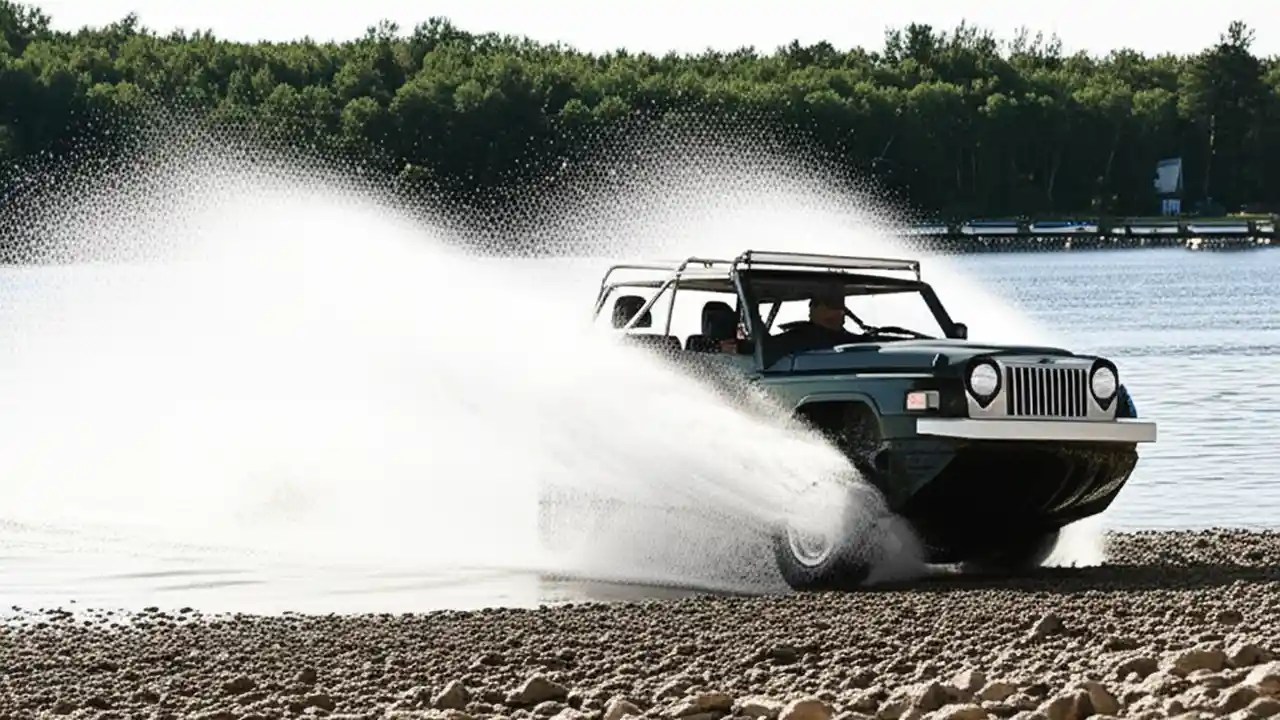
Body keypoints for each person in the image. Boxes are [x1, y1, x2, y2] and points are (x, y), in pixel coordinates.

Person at [761, 285, 863, 366]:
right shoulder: (794, 340)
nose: (838, 311)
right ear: (812, 308)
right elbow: (761, 356)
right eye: (830, 303)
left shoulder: (858, 344)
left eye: (840, 304)